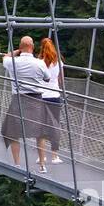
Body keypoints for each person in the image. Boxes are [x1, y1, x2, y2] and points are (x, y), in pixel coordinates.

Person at [1, 36, 53, 168]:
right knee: (40, 133)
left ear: (20, 47)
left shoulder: (12, 62)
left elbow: (4, 56)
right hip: (36, 99)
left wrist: (17, 51)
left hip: (19, 99)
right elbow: (47, 78)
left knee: (13, 132)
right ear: (33, 47)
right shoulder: (40, 63)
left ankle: (17, 164)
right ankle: (42, 165)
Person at [36, 37, 65, 170]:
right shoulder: (59, 63)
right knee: (54, 126)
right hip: (54, 96)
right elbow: (61, 81)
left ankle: (41, 157)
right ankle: (54, 156)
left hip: (41, 96)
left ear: (41, 48)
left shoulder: (38, 62)